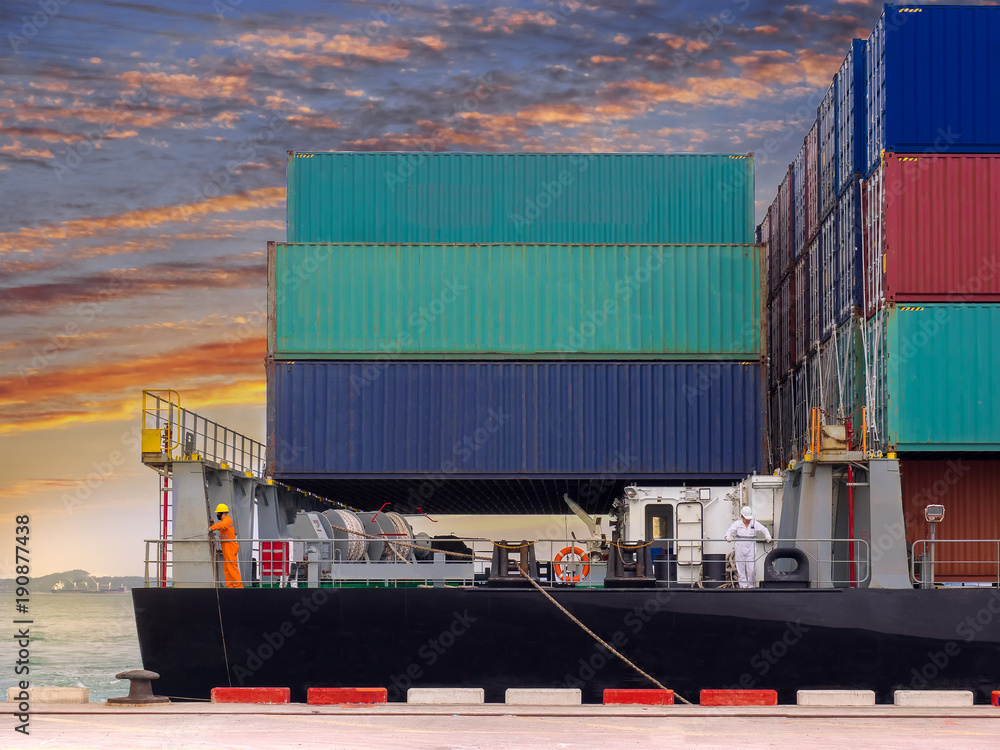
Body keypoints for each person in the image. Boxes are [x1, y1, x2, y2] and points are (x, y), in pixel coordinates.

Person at [725, 506, 772, 589]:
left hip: (751, 547)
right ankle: (743, 586)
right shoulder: (737, 524)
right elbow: (730, 530)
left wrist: (767, 536)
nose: (748, 520)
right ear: (742, 516)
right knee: (741, 568)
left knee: (751, 569)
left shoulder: (754, 523)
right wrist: (728, 536)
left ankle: (750, 586)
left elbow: (764, 529)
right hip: (740, 547)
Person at [209, 503, 243, 589]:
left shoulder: (227, 521)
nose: (217, 515)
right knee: (227, 568)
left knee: (232, 567)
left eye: (218, 514)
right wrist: (214, 524)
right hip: (226, 547)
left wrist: (212, 528)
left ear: (223, 513)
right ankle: (230, 586)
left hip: (230, 547)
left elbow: (222, 525)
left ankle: (239, 587)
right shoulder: (225, 521)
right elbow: (222, 526)